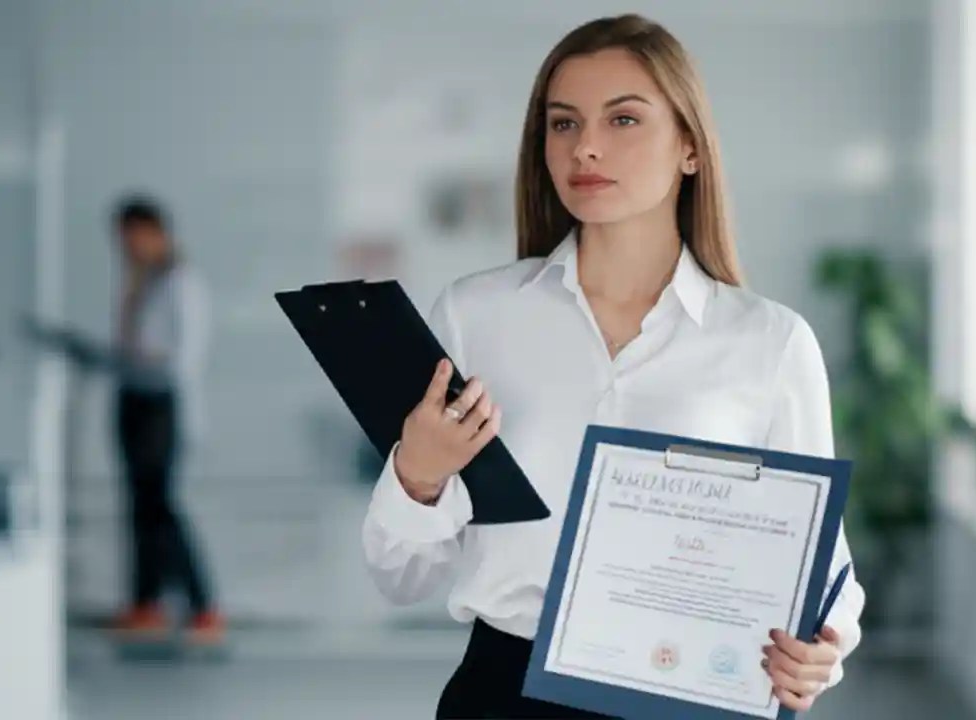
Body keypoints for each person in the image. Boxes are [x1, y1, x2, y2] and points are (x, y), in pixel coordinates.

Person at [362, 14, 867, 718]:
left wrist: (824, 650)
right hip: (505, 694)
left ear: (690, 147)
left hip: (697, 692)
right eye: (563, 124)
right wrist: (417, 477)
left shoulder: (771, 343)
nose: (586, 147)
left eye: (623, 119)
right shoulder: (474, 317)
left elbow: (822, 567)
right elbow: (402, 577)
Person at [106, 195, 224, 645]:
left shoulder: (181, 283)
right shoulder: (143, 281)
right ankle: (146, 604)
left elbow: (183, 357)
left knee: (161, 506)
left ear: (155, 232)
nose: (127, 247)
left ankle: (203, 605)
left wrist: (144, 355)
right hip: (133, 394)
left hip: (162, 403)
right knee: (140, 507)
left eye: (132, 236)